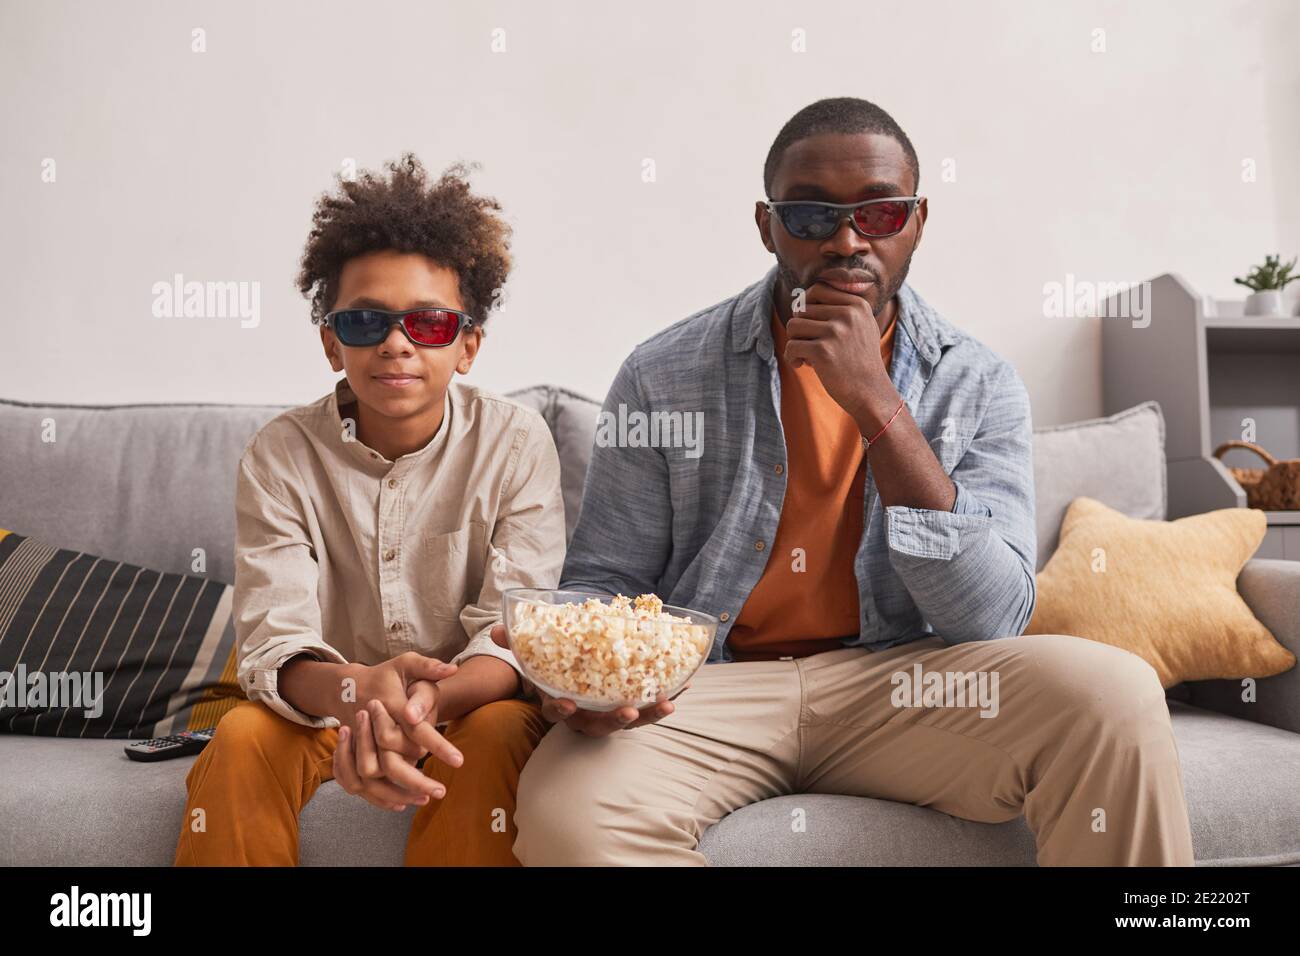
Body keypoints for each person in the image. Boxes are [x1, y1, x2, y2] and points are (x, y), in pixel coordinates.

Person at [507, 98, 1196, 866]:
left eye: (879, 214)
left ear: (917, 221)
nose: (845, 240)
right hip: (708, 692)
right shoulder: (662, 374)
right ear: (767, 226)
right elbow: (606, 580)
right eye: (810, 216)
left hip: (905, 683)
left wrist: (878, 406)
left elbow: (994, 619)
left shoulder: (979, 382)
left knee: (1114, 693)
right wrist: (581, 684)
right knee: (568, 814)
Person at [174, 154, 566, 866]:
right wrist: (359, 692)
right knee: (240, 736)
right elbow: (276, 641)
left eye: (430, 324)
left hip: (463, 711)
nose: (396, 343)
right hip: (326, 706)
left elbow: (512, 634)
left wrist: (417, 707)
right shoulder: (280, 455)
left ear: (469, 345)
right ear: (331, 342)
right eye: (365, 322)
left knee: (504, 727)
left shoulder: (516, 444)